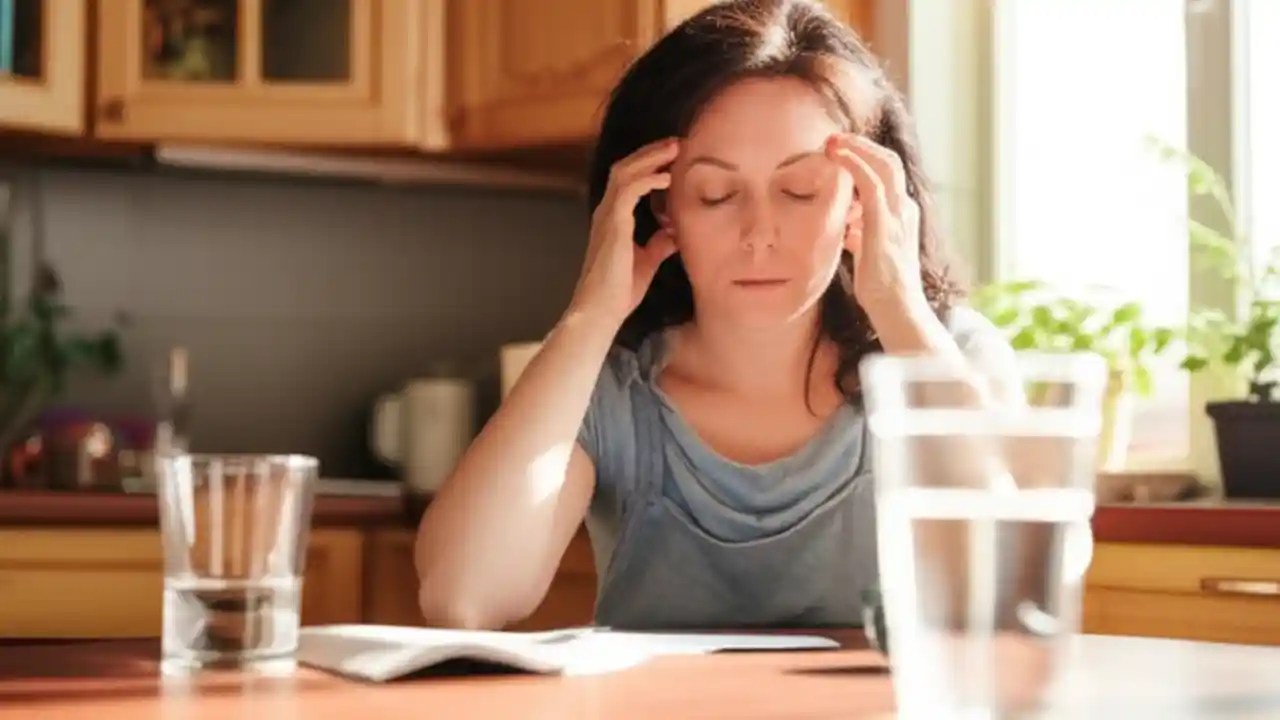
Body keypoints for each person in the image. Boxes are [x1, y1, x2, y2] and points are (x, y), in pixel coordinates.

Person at [414, 0, 1014, 630]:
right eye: (716, 193)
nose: (760, 233)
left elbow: (1007, 582)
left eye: (800, 190)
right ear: (662, 207)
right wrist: (591, 315)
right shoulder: (607, 393)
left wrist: (901, 311)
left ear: (863, 201)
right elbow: (463, 596)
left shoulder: (952, 359)